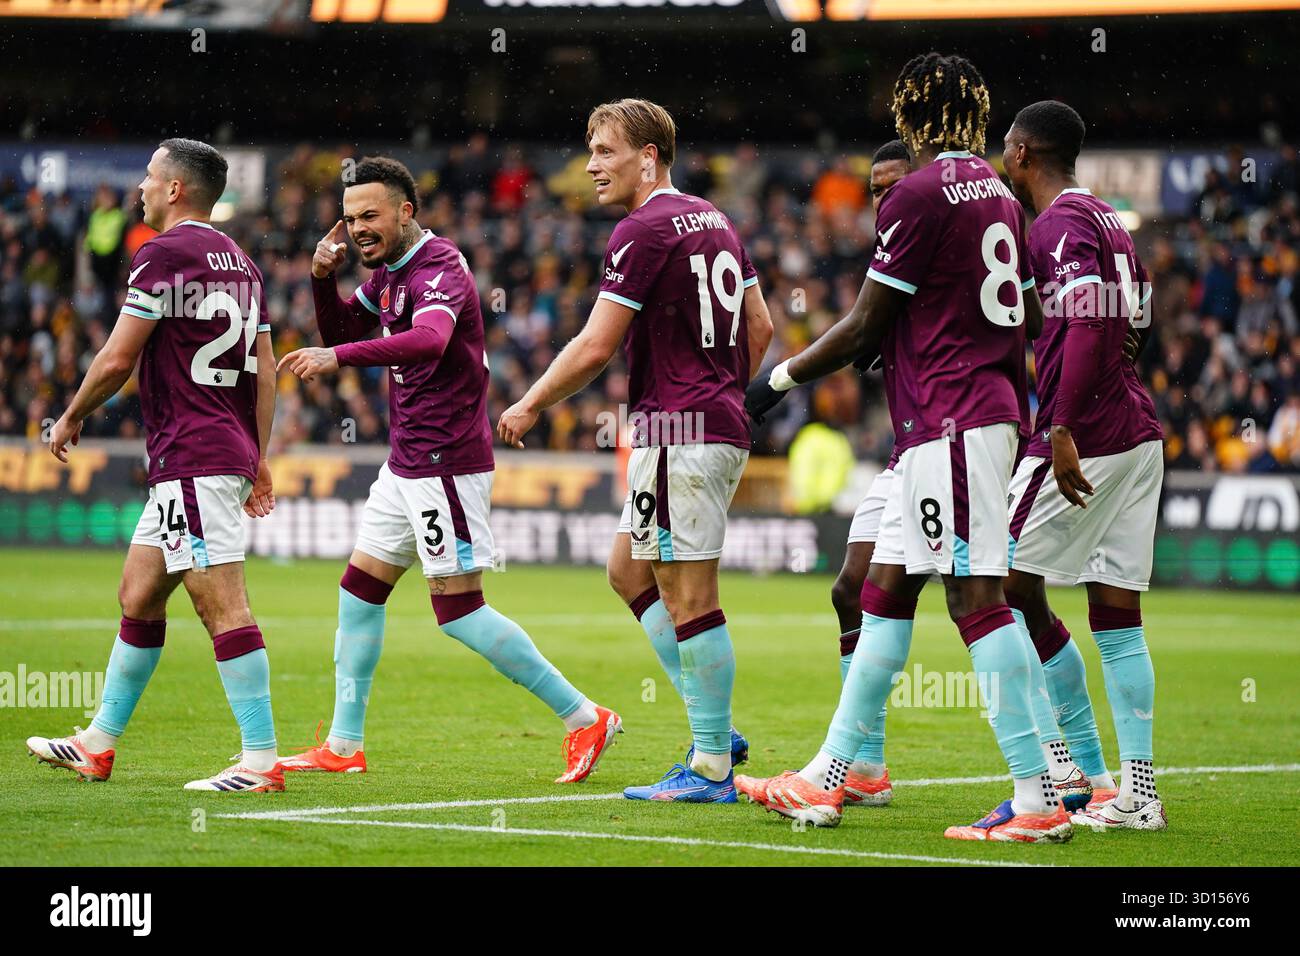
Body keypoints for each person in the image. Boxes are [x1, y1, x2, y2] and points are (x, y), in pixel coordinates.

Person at [739, 53, 1071, 843]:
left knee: (974, 601)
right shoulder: (997, 190)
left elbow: (862, 324)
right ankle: (827, 780)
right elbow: (1007, 309)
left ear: (913, 114)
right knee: (878, 590)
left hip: (951, 418)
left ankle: (1036, 797)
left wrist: (774, 382)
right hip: (965, 411)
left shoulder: (918, 192)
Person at [278, 156, 620, 784]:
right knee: (359, 594)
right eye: (350, 219)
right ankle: (344, 744)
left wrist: (338, 356)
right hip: (405, 464)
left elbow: (428, 341)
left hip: (445, 465)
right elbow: (347, 326)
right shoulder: (386, 275)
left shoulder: (439, 267)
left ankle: (583, 715)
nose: (358, 229)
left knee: (459, 611)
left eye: (371, 216)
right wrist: (323, 282)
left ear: (407, 212)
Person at [498, 99, 774, 803]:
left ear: (647, 157)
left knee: (690, 597)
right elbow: (763, 327)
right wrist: (719, 386)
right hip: (704, 423)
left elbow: (596, 345)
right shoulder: (716, 220)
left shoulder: (641, 228)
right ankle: (718, 728)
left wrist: (530, 401)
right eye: (590, 150)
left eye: (605, 151)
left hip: (680, 429)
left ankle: (712, 763)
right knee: (628, 571)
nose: (591, 165)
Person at [28, 139, 283, 793]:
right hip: (209, 453)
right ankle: (97, 745)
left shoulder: (163, 254)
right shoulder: (244, 266)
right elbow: (265, 371)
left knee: (220, 606)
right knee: (139, 594)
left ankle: (260, 762)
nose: (140, 185)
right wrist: (258, 457)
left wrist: (72, 413)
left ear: (175, 190)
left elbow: (117, 359)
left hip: (194, 455)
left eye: (148, 175)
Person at [1001, 99, 1166, 830]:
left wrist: (1062, 419)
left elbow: (1093, 321)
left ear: (1021, 152)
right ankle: (1136, 794)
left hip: (1087, 428)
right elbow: (1137, 319)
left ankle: (1060, 763)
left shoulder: (1057, 225)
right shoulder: (1107, 221)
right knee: (1118, 617)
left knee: (991, 576)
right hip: (1136, 428)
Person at [826, 139, 913, 809]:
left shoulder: (945, 231)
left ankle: (1064, 771)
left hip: (965, 441)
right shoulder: (893, 250)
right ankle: (867, 768)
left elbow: (857, 329)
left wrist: (779, 379)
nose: (882, 199)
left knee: (1004, 605)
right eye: (875, 188)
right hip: (908, 451)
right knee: (850, 588)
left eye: (893, 185)